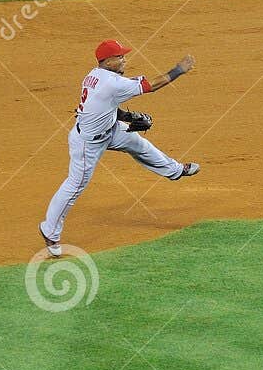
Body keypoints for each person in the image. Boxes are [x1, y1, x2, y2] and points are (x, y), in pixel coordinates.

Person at [39, 40, 199, 256]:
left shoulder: (93, 75)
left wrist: (124, 116)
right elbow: (151, 85)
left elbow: (104, 104)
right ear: (107, 61)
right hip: (88, 143)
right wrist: (179, 69)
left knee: (140, 145)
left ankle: (175, 170)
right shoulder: (113, 82)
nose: (125, 59)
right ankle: (50, 231)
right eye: (120, 57)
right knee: (75, 186)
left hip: (109, 129)